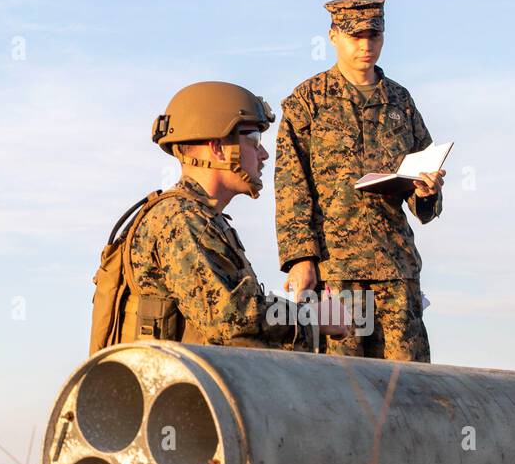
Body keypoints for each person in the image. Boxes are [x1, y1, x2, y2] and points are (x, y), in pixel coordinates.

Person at [274, 0, 444, 362]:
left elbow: (423, 197)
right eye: (356, 37)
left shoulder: (401, 101)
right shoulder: (307, 101)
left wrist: (427, 191)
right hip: (335, 271)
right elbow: (290, 185)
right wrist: (300, 259)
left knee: (407, 384)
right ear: (334, 35)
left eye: (374, 37)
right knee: (342, 387)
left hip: (395, 270)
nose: (366, 47)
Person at [121, 81, 346, 349]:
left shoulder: (201, 218)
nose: (263, 154)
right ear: (217, 147)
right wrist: (314, 318)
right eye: (253, 139)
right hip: (187, 387)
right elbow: (231, 321)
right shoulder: (180, 219)